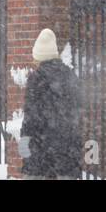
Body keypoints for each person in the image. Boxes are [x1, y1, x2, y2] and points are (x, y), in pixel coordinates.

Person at [20, 28, 82, 179]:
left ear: (39, 56)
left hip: (41, 149)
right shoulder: (70, 76)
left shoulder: (37, 79)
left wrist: (25, 142)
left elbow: (31, 117)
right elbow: (78, 109)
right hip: (67, 148)